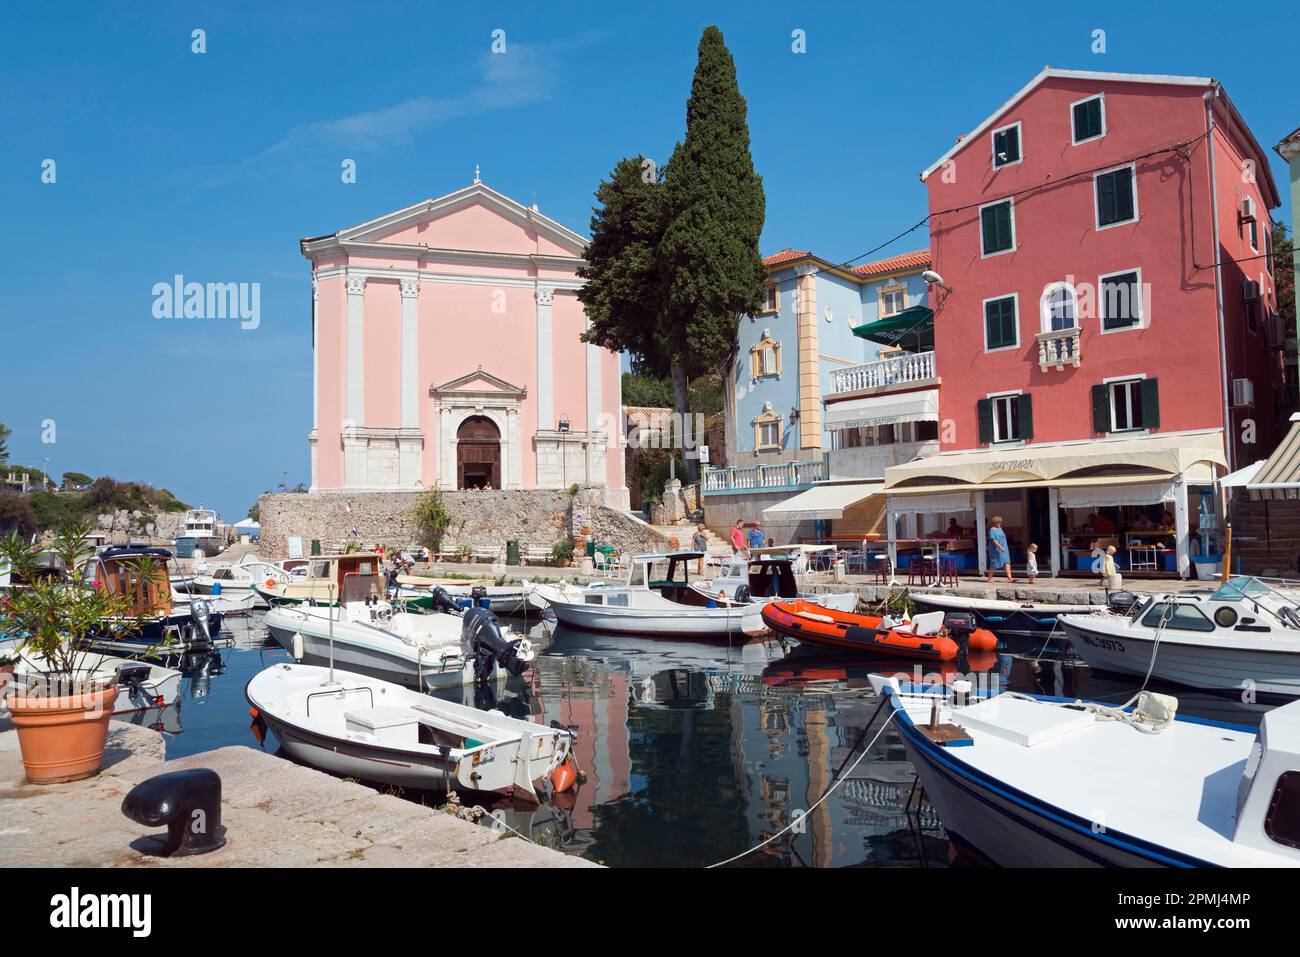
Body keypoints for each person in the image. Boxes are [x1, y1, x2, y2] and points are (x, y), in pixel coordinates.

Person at [986, 516, 1012, 583]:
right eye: (998, 522)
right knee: (994, 563)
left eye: (1000, 522)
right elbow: (993, 540)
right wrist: (1000, 547)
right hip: (996, 549)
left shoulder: (1000, 528)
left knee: (1007, 562)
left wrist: (1003, 547)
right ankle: (989, 578)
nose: (999, 524)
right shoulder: (992, 530)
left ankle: (1010, 578)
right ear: (994, 523)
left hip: (1004, 548)